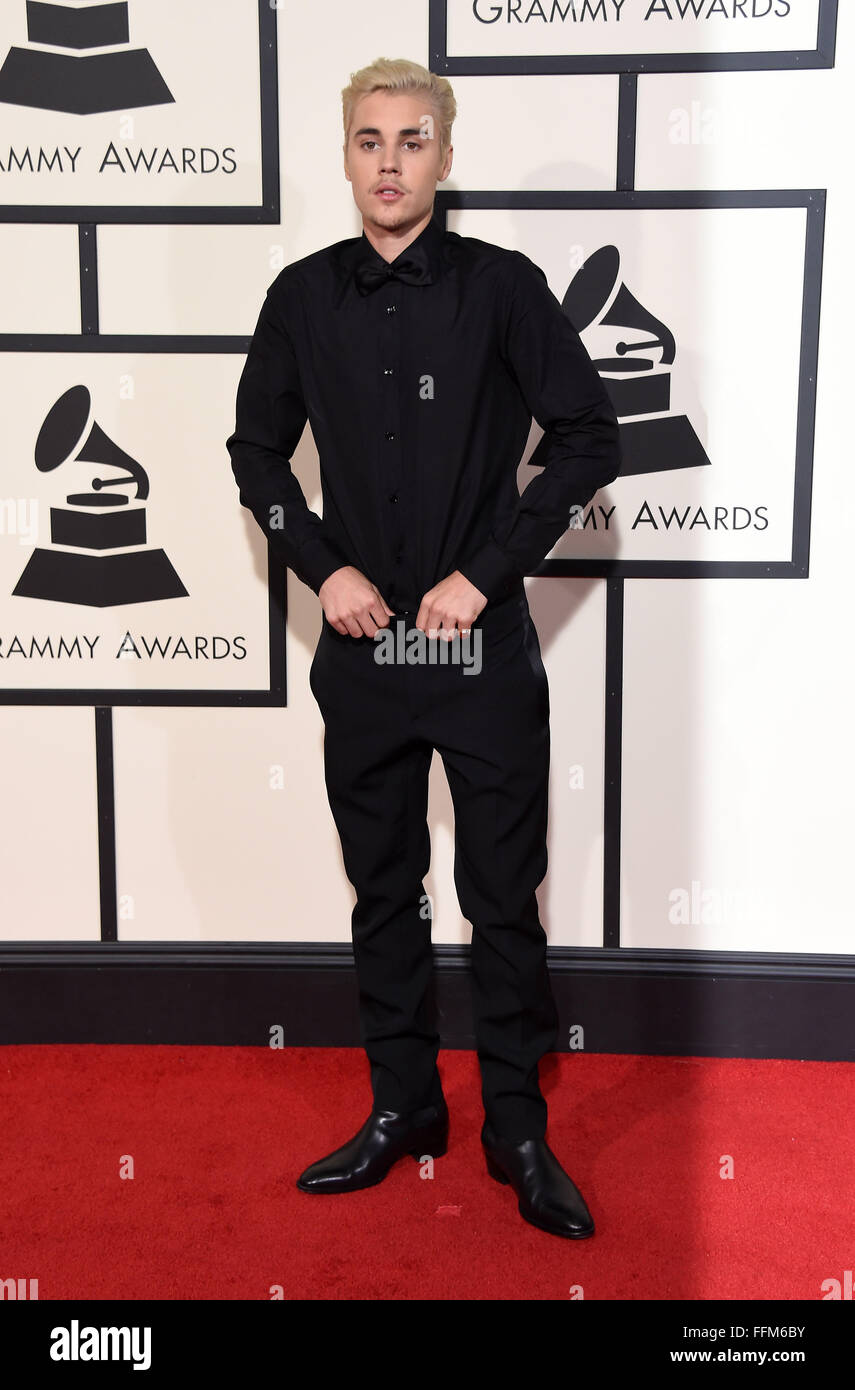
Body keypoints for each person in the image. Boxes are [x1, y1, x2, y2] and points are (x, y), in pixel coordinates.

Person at [226, 57, 622, 1239]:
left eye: (411, 140)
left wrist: (484, 572)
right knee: (382, 892)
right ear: (347, 156)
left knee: (502, 899)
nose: (390, 162)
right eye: (369, 140)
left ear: (445, 156)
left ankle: (516, 1129)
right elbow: (254, 454)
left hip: (482, 655)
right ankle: (403, 1108)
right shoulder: (302, 296)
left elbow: (590, 438)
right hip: (362, 656)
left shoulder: (503, 289)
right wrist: (326, 568)